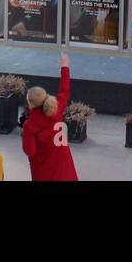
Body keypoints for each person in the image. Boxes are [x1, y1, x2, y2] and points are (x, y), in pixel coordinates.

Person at [21, 52, 79, 181]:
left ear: (30, 103)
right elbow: (65, 90)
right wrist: (65, 66)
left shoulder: (29, 125)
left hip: (44, 172)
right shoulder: (56, 110)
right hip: (65, 171)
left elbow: (30, 151)